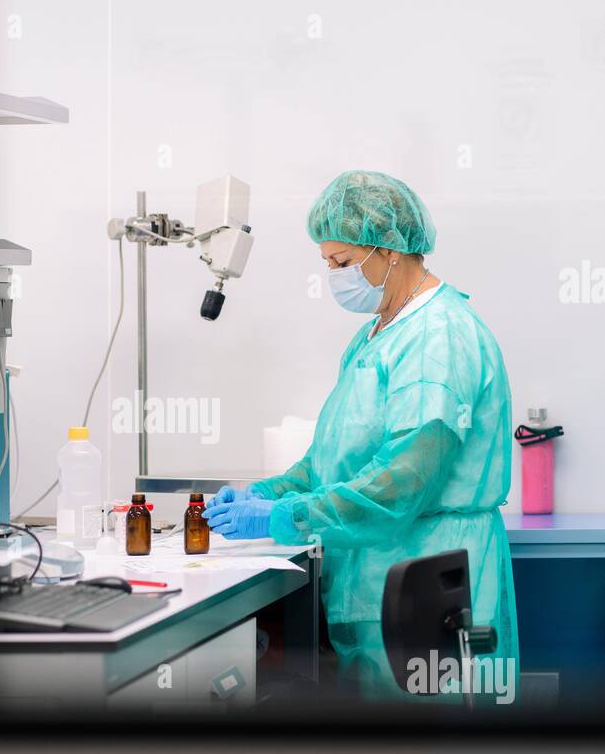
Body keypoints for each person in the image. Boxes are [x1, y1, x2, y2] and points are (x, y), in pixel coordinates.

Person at [204, 170, 518, 703]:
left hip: (428, 578)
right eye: (326, 263)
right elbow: (333, 458)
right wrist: (270, 492)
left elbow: (404, 481)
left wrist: (287, 518)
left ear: (390, 250)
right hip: (378, 577)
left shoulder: (435, 337)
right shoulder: (376, 335)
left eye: (343, 263)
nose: (334, 276)